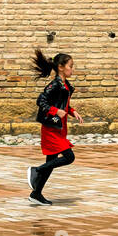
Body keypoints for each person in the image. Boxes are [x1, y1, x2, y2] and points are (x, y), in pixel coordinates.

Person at [27, 48, 81, 205]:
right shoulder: (54, 85)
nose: (72, 69)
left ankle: (36, 194)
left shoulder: (65, 85)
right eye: (70, 66)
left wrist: (72, 112)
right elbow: (41, 101)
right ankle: (36, 170)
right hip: (51, 130)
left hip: (60, 129)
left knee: (51, 161)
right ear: (61, 67)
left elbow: (64, 105)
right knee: (69, 157)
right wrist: (56, 111)